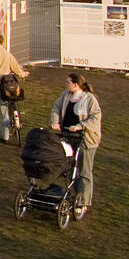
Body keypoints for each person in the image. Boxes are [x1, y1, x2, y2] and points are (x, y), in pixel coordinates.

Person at [50, 74, 102, 219]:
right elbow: (56, 108)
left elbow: (95, 118)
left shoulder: (89, 99)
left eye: (68, 82)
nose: (65, 84)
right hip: (68, 137)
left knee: (84, 171)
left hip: (86, 140)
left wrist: (80, 126)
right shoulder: (65, 96)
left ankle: (83, 202)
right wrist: (55, 121)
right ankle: (72, 194)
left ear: (76, 84)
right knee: (70, 168)